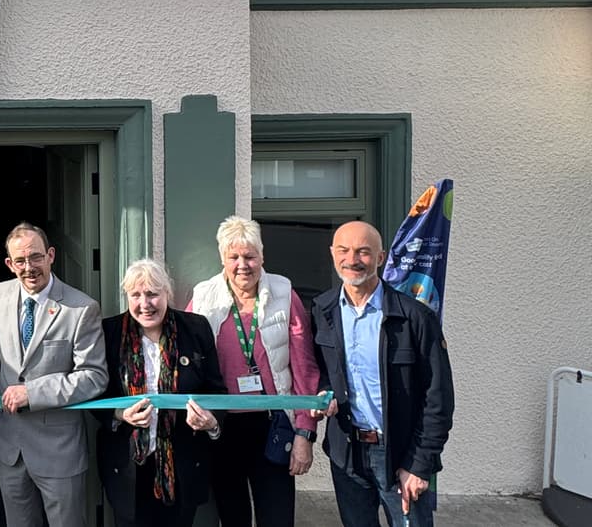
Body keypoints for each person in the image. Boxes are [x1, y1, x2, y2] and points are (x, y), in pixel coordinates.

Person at [0, 222, 109, 527]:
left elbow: (93, 376)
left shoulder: (82, 308)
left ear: (51, 255)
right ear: (9, 264)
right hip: (10, 449)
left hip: (59, 452)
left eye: (36, 257)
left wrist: (33, 393)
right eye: (20, 261)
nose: (29, 267)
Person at [311, 221, 454, 527]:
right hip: (347, 455)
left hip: (400, 454)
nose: (352, 259)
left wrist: (419, 464)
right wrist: (325, 392)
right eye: (344, 250)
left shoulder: (414, 318)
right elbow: (323, 370)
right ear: (332, 254)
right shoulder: (322, 311)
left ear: (380, 258)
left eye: (363, 251)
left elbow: (438, 398)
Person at [186, 215, 321, 527]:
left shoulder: (284, 293)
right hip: (222, 427)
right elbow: (188, 362)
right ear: (222, 258)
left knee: (277, 517)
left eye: (250, 256)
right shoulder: (205, 296)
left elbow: (304, 369)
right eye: (234, 257)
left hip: (272, 425)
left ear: (262, 256)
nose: (242, 264)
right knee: (233, 518)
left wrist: (305, 433)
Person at [97, 259, 226, 527]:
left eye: (153, 294)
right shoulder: (109, 333)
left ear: (167, 293)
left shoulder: (196, 329)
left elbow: (216, 390)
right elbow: (94, 394)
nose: (145, 304)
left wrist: (211, 422)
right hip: (128, 465)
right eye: (136, 295)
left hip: (183, 466)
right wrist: (120, 414)